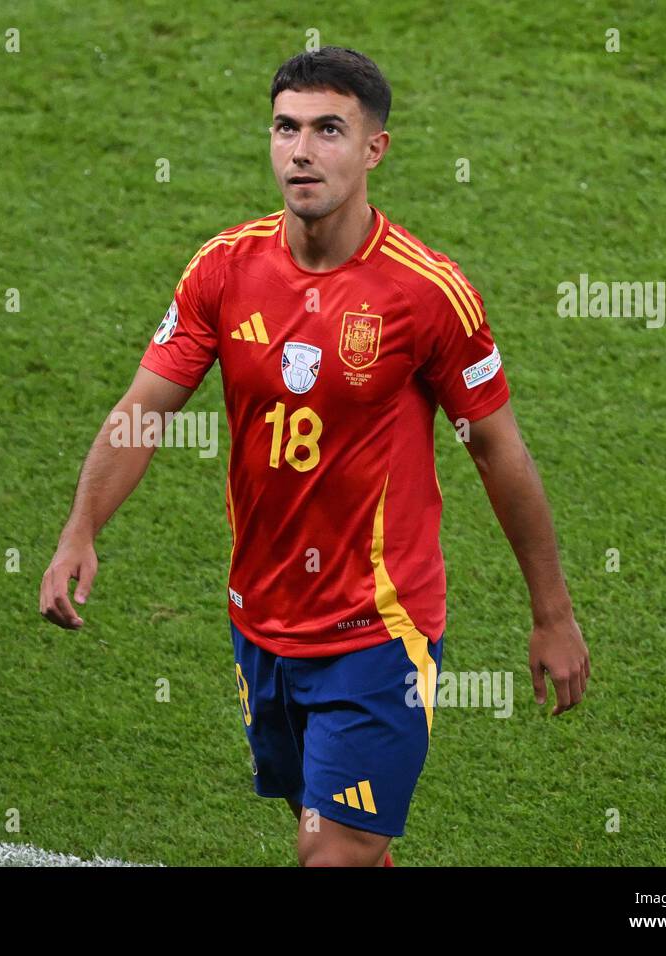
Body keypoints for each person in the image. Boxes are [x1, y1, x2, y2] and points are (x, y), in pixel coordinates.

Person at [39, 45, 590, 867]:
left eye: (328, 130)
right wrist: (79, 528)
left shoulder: (425, 293)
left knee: (330, 852)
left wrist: (551, 613)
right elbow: (141, 411)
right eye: (285, 128)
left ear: (374, 149)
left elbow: (498, 453)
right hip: (260, 619)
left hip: (379, 627)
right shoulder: (224, 269)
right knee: (329, 835)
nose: (301, 151)